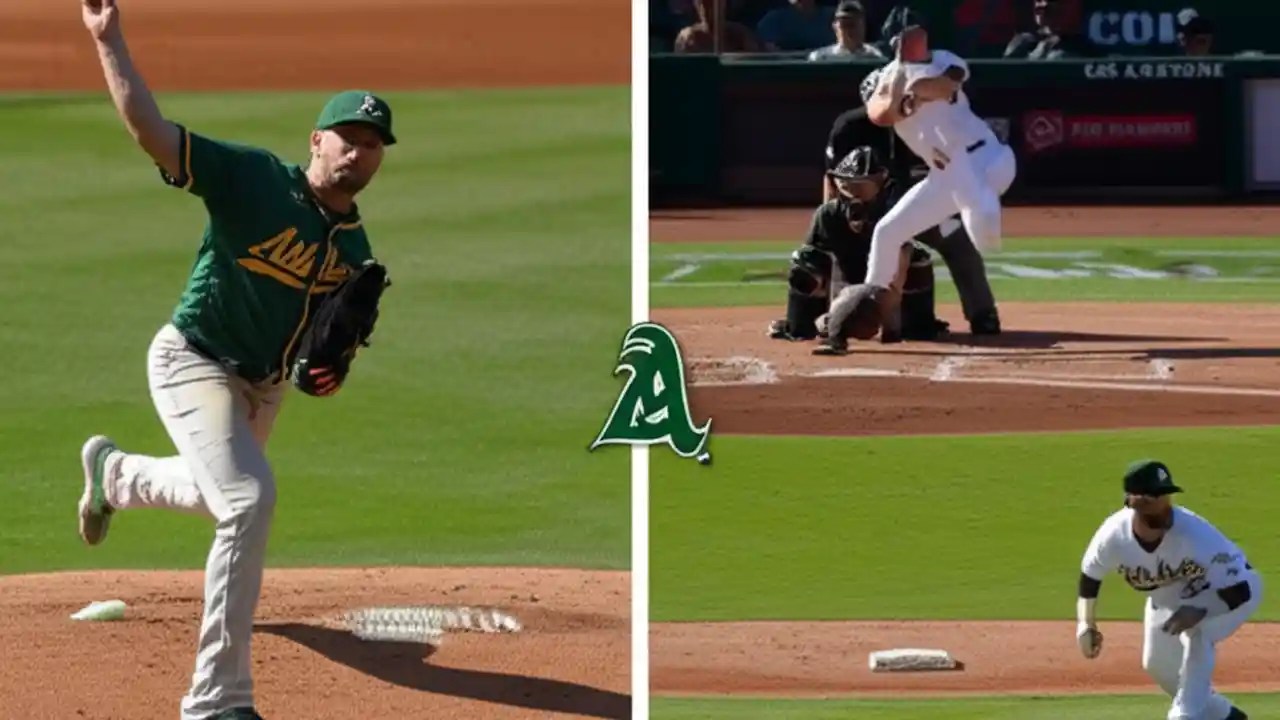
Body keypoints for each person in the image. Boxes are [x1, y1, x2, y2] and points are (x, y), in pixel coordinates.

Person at [76, 1, 396, 718]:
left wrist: (329, 374)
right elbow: (151, 133)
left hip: (261, 388)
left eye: (372, 144)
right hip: (193, 361)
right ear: (316, 140)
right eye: (346, 136)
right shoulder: (253, 180)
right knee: (248, 501)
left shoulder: (354, 254)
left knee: (212, 493)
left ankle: (114, 473)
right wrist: (109, 39)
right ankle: (217, 700)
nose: (357, 151)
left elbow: (321, 363)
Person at [845, 25, 1017, 336]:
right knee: (887, 232)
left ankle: (983, 218)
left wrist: (913, 90)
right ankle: (871, 301)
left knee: (977, 213)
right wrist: (899, 90)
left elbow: (945, 84)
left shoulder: (943, 59)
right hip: (949, 176)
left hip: (989, 159)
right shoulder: (889, 88)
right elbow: (882, 113)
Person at [1076, 461, 1259, 720]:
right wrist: (1085, 624)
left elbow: (1240, 592)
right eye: (1154, 496)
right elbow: (1090, 576)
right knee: (1156, 664)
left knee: (1199, 634)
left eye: (1165, 495)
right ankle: (1226, 716)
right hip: (1170, 599)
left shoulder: (1196, 535)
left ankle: (1183, 714)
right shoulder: (1113, 536)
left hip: (1229, 591)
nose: (1164, 504)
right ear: (1133, 501)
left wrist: (1202, 609)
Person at [822, 74, 1002, 335]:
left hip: (908, 205)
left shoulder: (921, 124)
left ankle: (983, 313)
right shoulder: (849, 126)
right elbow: (831, 178)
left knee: (958, 240)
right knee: (831, 252)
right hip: (860, 209)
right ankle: (836, 318)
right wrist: (833, 217)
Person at [768, 145, 948, 355]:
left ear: (880, 183)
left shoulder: (895, 212)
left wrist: (887, 310)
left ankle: (919, 326)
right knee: (804, 261)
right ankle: (799, 326)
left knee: (920, 258)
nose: (852, 190)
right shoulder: (828, 215)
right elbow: (815, 261)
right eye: (846, 183)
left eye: (861, 185)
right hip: (846, 286)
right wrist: (835, 311)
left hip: (886, 287)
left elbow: (903, 257)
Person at [808, 1, 885, 61]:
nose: (849, 30)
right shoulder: (821, 58)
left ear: (863, 26)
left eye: (853, 24)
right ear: (835, 27)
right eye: (844, 25)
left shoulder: (874, 57)